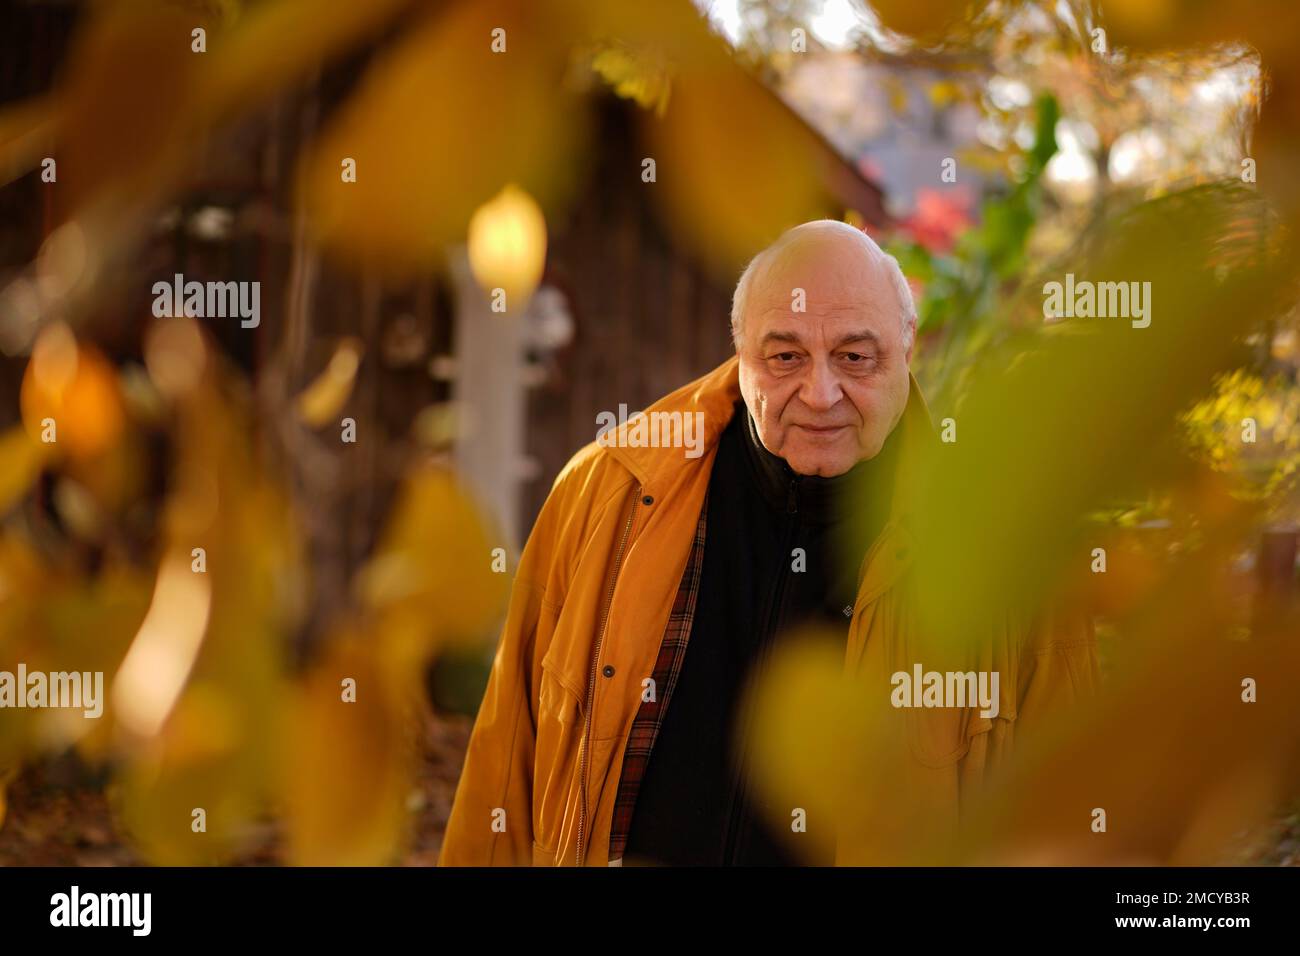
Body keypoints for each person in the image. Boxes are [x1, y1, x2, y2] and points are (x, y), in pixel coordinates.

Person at [439, 219, 1099, 866]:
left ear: (907, 344)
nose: (819, 393)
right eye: (784, 356)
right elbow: (504, 773)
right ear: (740, 350)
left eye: (854, 356)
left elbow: (1069, 816)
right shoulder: (603, 492)